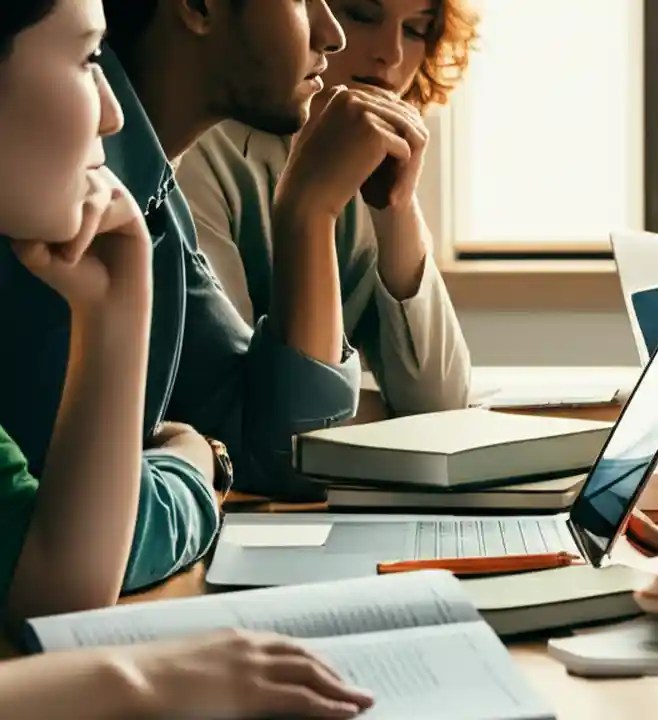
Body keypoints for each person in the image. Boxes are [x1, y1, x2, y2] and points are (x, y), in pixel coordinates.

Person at [0, 3, 372, 717]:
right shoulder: (48, 225)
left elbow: (283, 445)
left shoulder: (142, 203)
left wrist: (313, 214)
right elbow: (54, 542)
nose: (114, 113)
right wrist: (194, 462)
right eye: (86, 60)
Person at [178, 0, 477, 417]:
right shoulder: (198, 153)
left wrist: (397, 209)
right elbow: (243, 416)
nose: (390, 54)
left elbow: (441, 404)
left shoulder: (375, 162)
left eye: (415, 30)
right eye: (362, 15)